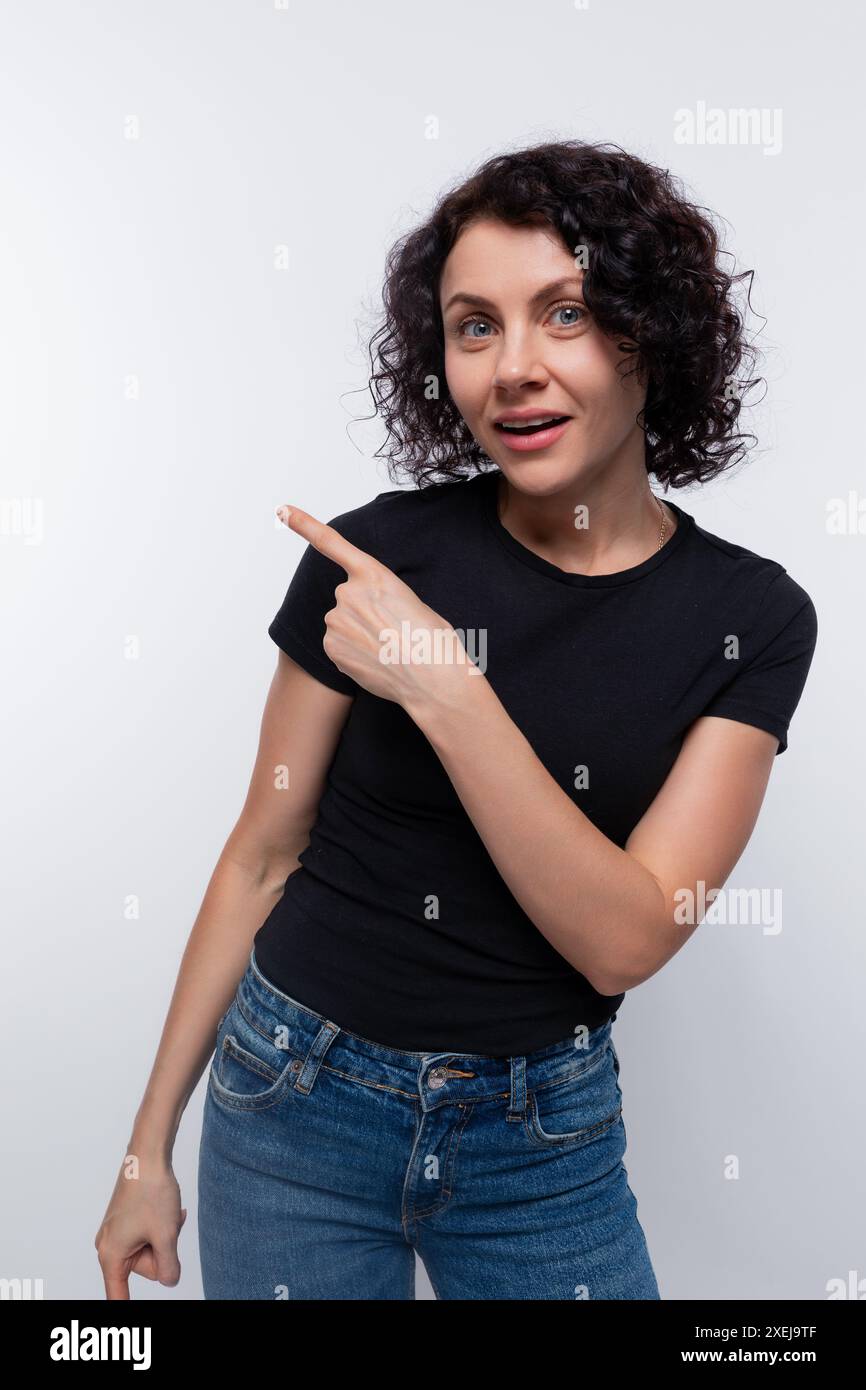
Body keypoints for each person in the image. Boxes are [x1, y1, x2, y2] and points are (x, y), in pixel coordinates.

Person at [95, 139, 818, 1300]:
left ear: (651, 334)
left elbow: (625, 937)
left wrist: (442, 684)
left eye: (565, 313)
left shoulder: (749, 615)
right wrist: (146, 1152)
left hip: (543, 1142)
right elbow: (261, 854)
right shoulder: (373, 555)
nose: (511, 368)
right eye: (474, 326)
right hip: (293, 1102)